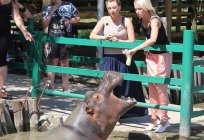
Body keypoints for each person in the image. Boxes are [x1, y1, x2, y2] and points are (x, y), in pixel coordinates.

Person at [90, 0, 148, 118]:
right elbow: (92, 35)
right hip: (108, 58)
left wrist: (119, 40)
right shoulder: (104, 20)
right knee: (108, 86)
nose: (112, 10)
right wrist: (104, 37)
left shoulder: (126, 21)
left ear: (119, 7)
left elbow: (132, 41)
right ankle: (109, 113)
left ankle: (128, 111)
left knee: (125, 85)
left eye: (114, 7)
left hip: (123, 57)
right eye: (110, 8)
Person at [126, 0, 172, 133]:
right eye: (136, 9)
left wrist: (135, 49)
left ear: (146, 8)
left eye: (139, 9)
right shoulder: (142, 20)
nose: (137, 11)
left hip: (162, 56)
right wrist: (144, 49)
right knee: (151, 86)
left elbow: (153, 39)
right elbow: (147, 38)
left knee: (161, 88)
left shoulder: (154, 20)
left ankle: (164, 120)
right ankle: (153, 119)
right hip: (151, 55)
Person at [42, 0, 80, 92]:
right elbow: (44, 24)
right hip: (52, 38)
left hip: (66, 38)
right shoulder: (47, 7)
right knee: (52, 62)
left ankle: (65, 88)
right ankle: (50, 87)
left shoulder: (69, 5)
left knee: (65, 63)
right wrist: (51, 12)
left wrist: (70, 21)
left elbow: (78, 18)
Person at [0, 0, 33, 99]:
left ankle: (0, 89)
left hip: (3, 34)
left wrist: (24, 31)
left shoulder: (13, 2)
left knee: (1, 61)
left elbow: (17, 17)